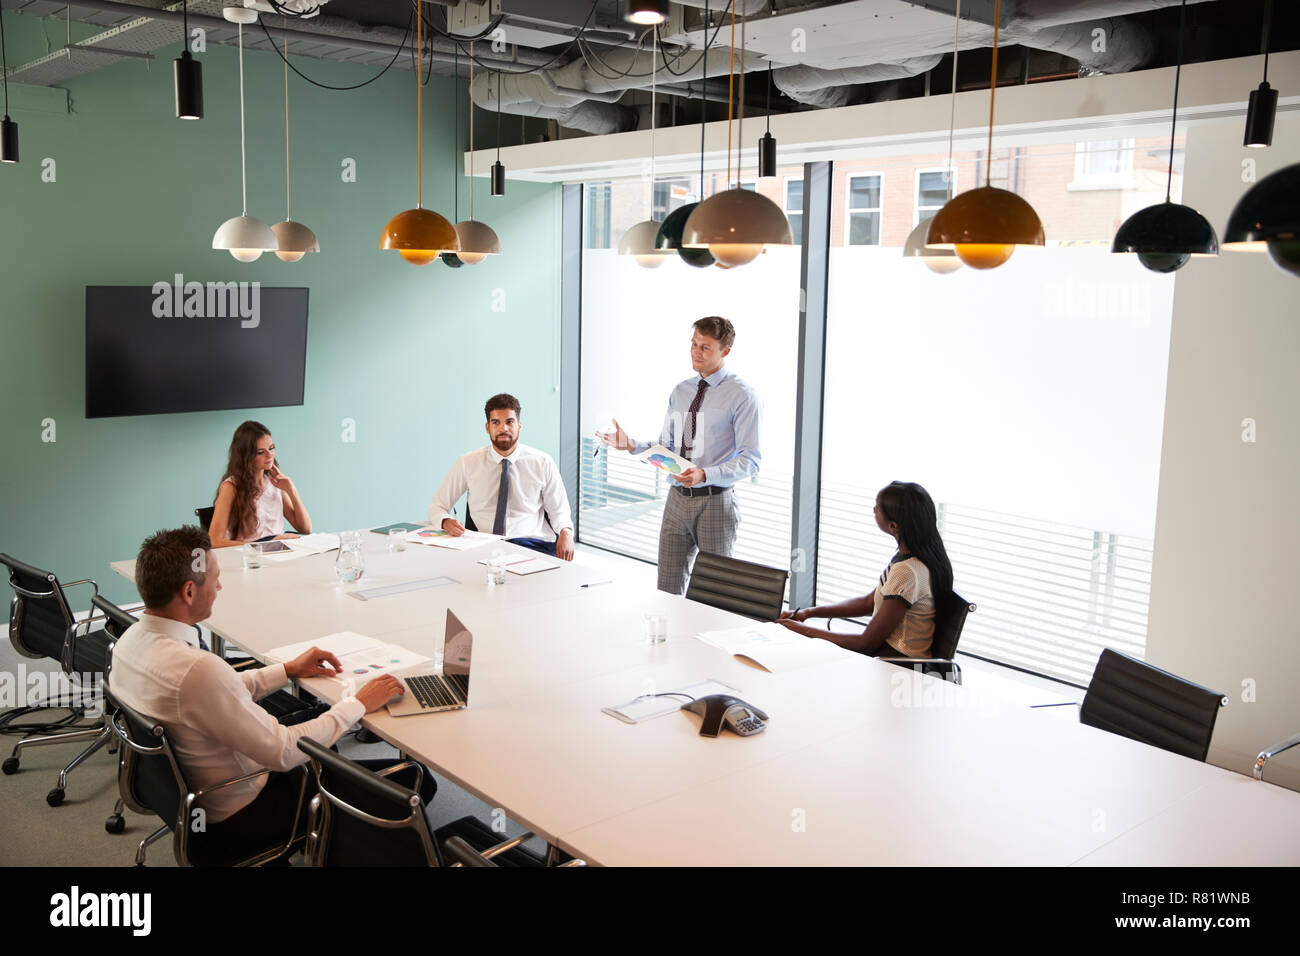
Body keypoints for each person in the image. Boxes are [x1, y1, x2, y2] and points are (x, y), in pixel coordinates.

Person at [108, 525, 429, 865]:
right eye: (215, 578)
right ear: (189, 592)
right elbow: (285, 753)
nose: (219, 585)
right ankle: (335, 843)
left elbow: (215, 691)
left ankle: (324, 838)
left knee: (316, 722)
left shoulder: (129, 643)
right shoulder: (196, 671)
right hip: (243, 815)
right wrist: (359, 703)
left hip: (190, 800)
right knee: (412, 783)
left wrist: (287, 670)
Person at [602, 317, 761, 594]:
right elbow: (668, 447)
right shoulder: (681, 391)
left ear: (725, 351)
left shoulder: (742, 395)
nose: (696, 352)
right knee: (667, 589)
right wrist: (631, 445)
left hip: (715, 504)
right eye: (693, 344)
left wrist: (704, 474)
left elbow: (751, 460)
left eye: (705, 347)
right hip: (676, 500)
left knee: (714, 592)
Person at [778, 481, 953, 658]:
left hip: (896, 667)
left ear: (893, 526)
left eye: (877, 508)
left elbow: (865, 644)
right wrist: (809, 613)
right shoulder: (920, 557)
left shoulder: (908, 571)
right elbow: (868, 603)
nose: (874, 511)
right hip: (890, 658)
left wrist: (804, 631)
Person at [429, 393, 576, 561]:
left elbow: (560, 511)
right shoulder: (467, 463)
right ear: (487, 427)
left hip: (534, 546)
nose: (503, 428)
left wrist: (566, 532)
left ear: (519, 426)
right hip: (486, 547)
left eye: (509, 422)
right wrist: (445, 522)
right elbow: (436, 506)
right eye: (496, 422)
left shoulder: (542, 462)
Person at [208, 420, 311, 548]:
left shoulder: (275, 483)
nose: (269, 456)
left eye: (271, 448)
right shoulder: (231, 487)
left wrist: (291, 490)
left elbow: (305, 528)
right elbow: (214, 541)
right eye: (261, 452)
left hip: (278, 552)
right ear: (246, 456)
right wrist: (269, 542)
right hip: (247, 557)